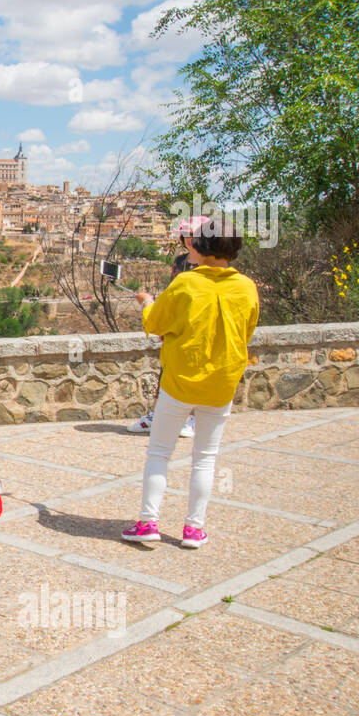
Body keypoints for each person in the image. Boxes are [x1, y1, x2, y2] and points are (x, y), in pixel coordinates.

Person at [121, 220, 259, 549]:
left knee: (159, 453)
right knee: (205, 458)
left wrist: (146, 302)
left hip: (180, 381)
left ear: (199, 248)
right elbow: (246, 331)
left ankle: (148, 522)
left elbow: (156, 324)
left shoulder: (185, 284)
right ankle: (193, 529)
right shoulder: (246, 287)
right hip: (221, 384)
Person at [126, 216, 209, 438]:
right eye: (187, 235)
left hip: (199, 329)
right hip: (175, 329)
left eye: (194, 235)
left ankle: (192, 419)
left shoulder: (211, 265)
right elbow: (172, 295)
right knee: (166, 374)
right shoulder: (181, 263)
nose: (190, 240)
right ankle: (156, 416)